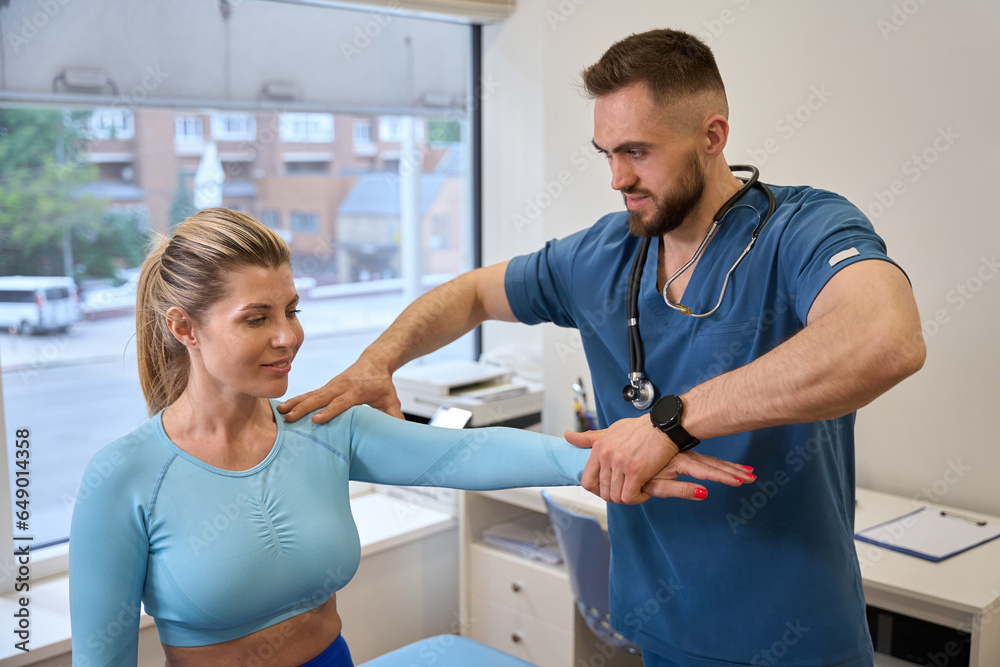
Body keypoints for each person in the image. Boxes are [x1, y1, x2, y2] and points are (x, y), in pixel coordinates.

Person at [278, 29, 926, 667]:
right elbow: (473, 293)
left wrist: (669, 423)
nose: (618, 177)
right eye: (606, 152)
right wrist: (378, 361)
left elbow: (885, 339)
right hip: (662, 633)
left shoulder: (801, 228)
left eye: (638, 151)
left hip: (794, 639)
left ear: (712, 136)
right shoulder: (604, 254)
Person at [68, 208, 754, 667]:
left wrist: (604, 456)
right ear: (185, 327)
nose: (289, 337)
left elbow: (464, 454)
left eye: (292, 309)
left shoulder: (321, 424)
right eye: (257, 318)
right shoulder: (123, 477)